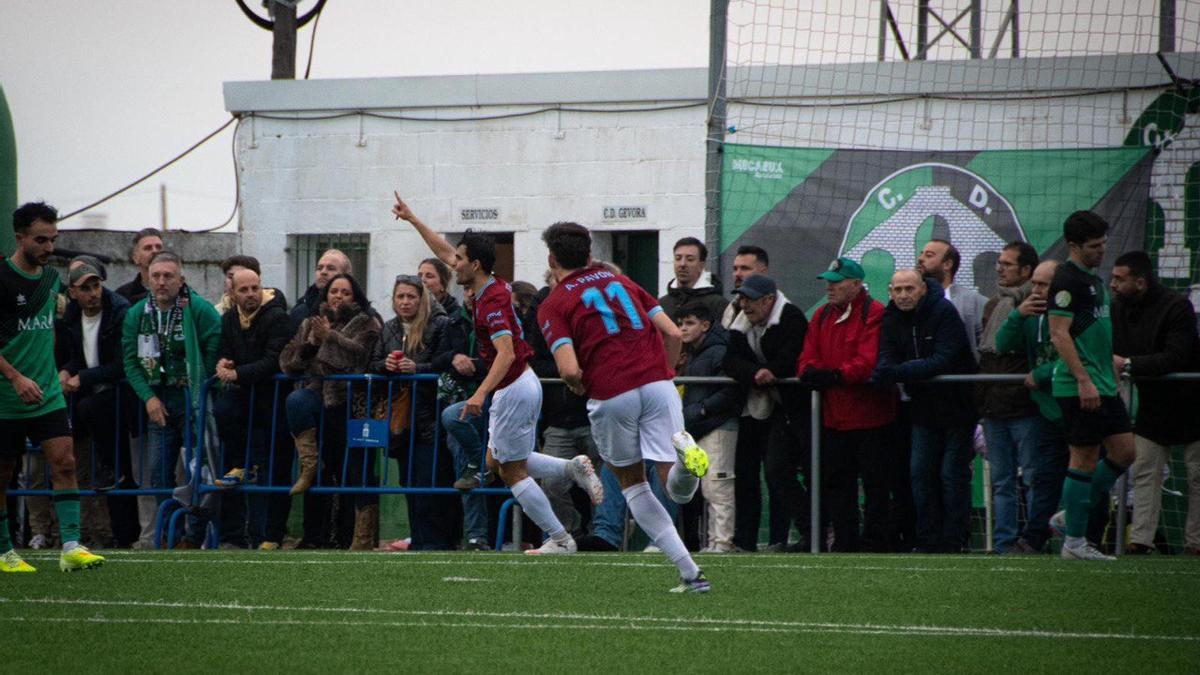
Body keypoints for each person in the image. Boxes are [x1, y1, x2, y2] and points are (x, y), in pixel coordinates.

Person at [393, 194, 602, 555]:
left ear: (473, 264)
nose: (451, 262)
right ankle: (571, 469)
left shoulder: (491, 301)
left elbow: (505, 355)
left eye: (458, 259)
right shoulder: (488, 282)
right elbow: (444, 249)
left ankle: (559, 538)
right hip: (520, 385)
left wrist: (478, 395)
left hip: (514, 386)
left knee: (509, 470)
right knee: (500, 461)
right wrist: (413, 219)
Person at [538, 221, 710, 591]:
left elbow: (568, 368)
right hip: (658, 384)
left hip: (613, 393)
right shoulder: (622, 282)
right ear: (588, 255)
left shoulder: (554, 303)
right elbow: (673, 332)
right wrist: (666, 371)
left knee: (633, 487)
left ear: (552, 258)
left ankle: (690, 572)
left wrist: (580, 383)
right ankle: (690, 572)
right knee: (677, 488)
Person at [1, 202, 105, 573]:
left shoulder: (50, 282)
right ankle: (4, 552)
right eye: (40, 240)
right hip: (6, 397)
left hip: (46, 394)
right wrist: (15, 377)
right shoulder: (2, 277)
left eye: (53, 239)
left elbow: (64, 331)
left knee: (65, 462)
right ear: (20, 238)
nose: (48, 247)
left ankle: (72, 546)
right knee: (4, 472)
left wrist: (64, 370)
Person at [1046, 210, 1138, 561]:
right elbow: (1059, 333)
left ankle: (1072, 514)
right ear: (1073, 246)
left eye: (1103, 244)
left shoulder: (1093, 281)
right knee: (1083, 459)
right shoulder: (1066, 281)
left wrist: (1108, 367)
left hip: (1103, 383)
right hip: (1077, 385)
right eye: (1093, 246)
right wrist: (1083, 378)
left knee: (1125, 452)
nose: (1101, 251)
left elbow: (1094, 334)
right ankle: (1075, 542)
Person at [872, 269, 978, 553]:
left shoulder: (944, 311)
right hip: (922, 409)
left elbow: (943, 359)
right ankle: (928, 539)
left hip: (957, 406)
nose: (903, 295)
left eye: (909, 289)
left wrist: (897, 372)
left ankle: (954, 540)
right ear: (890, 292)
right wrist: (887, 370)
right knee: (920, 473)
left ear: (922, 289)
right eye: (898, 290)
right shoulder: (891, 316)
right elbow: (886, 355)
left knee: (950, 474)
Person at [122, 250, 221, 548]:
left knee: (197, 469)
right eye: (156, 276)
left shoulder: (199, 309)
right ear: (147, 279)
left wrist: (201, 382)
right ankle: (169, 534)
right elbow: (130, 362)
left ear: (181, 279)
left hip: (192, 398)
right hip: (159, 399)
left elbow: (215, 344)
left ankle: (193, 535)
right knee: (157, 470)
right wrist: (148, 398)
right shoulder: (137, 313)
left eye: (168, 276)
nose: (162, 282)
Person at [798, 257, 896, 552]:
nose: (829, 287)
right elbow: (806, 359)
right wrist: (818, 373)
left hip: (871, 418)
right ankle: (845, 541)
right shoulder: (822, 316)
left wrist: (833, 375)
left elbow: (867, 362)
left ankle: (876, 541)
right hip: (834, 418)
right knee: (838, 484)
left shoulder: (874, 313)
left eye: (836, 282)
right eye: (828, 281)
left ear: (855, 284)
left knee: (876, 485)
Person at [280, 273, 381, 549]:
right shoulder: (309, 322)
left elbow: (357, 360)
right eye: (334, 291)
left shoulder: (368, 323)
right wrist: (311, 344)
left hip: (356, 406)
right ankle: (309, 465)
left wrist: (329, 339)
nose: (338, 296)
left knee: (356, 473)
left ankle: (358, 538)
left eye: (346, 292)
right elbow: (288, 364)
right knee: (297, 401)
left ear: (356, 296)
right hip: (320, 402)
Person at [1110, 250, 1200, 555]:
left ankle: (1195, 542)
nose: (1113, 284)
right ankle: (1141, 540)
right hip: (1152, 406)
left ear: (1140, 281)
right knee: (1145, 470)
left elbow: (1176, 357)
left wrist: (1127, 364)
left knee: (1197, 474)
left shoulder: (1177, 307)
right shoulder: (1118, 308)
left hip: (1192, 404)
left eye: (1119, 279)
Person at [369, 274, 458, 550]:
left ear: (422, 299)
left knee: (429, 481)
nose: (405, 302)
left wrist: (416, 369)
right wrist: (386, 365)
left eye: (411, 296)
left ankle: (437, 542)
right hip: (400, 419)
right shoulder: (389, 328)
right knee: (409, 482)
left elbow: (446, 362)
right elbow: (372, 362)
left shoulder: (440, 324)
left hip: (431, 414)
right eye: (400, 296)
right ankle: (419, 540)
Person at [724, 274, 810, 552]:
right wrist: (755, 373)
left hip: (802, 407)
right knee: (775, 470)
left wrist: (770, 371)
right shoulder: (740, 323)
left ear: (769, 300)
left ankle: (820, 531)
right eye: (742, 298)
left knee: (812, 471)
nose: (745, 305)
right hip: (773, 409)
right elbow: (730, 360)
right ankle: (810, 530)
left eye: (750, 299)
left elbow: (791, 358)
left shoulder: (792, 317)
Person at [994, 260, 1073, 553]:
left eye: (1043, 284)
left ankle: (1083, 536)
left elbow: (1083, 353)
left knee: (1083, 473)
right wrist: (1018, 315)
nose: (1036, 290)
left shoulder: (1079, 312)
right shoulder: (1033, 313)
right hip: (1048, 410)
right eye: (1035, 284)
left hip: (1079, 404)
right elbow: (1002, 343)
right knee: (1044, 477)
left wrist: (1040, 374)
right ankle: (1035, 538)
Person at [211, 268, 292, 549]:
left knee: (275, 469)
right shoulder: (229, 319)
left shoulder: (278, 317)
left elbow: (273, 361)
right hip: (246, 403)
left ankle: (271, 536)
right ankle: (237, 534)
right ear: (232, 294)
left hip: (274, 404)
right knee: (223, 409)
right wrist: (223, 364)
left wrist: (238, 374)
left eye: (254, 288)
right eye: (244, 290)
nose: (250, 294)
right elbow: (223, 350)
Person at [57, 256, 132, 547]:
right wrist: (67, 370)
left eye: (96, 286)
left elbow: (121, 364)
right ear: (72, 292)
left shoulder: (119, 311)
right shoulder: (72, 315)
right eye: (84, 288)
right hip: (90, 397)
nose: (92, 293)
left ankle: (121, 532)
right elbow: (77, 354)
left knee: (120, 467)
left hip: (117, 395)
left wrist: (82, 378)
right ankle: (88, 530)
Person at [976, 242, 1042, 553]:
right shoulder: (993, 306)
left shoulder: (1039, 303)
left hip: (1027, 407)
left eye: (1008, 264)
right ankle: (1004, 543)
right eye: (999, 263)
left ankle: (1034, 541)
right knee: (1001, 481)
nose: (1000, 268)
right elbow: (988, 359)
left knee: (1032, 477)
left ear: (1027, 270)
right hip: (994, 407)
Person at [676, 305, 741, 553]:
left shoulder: (719, 350)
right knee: (707, 487)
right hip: (700, 426)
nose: (683, 328)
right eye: (681, 323)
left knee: (717, 484)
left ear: (705, 325)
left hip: (718, 425)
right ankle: (714, 542)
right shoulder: (695, 352)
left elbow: (731, 390)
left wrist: (703, 409)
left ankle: (722, 542)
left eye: (689, 323)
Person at [917, 239, 987, 361]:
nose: (920, 258)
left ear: (947, 264)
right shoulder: (910, 300)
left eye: (929, 255)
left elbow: (984, 346)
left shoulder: (974, 301)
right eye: (921, 254)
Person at [659, 237, 728, 324]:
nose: (682, 264)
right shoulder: (662, 304)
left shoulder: (718, 304)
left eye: (690, 259)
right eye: (678, 258)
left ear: (701, 265)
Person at [290, 249, 352, 331]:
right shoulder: (300, 312)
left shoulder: (361, 314)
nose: (323, 272)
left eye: (331, 268)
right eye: (319, 268)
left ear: (346, 275)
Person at [721, 245, 769, 328]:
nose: (737, 274)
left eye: (745, 268)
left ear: (763, 272)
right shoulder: (732, 307)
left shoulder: (774, 310)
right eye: (735, 269)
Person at [115, 227, 164, 304]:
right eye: (148, 248)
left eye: (158, 247)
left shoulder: (179, 292)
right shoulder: (122, 296)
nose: (155, 251)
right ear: (136, 258)